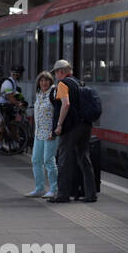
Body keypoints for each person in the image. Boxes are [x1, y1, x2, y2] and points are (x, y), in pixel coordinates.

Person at [48, 59, 96, 204]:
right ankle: (90, 194)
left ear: (61, 72)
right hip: (85, 126)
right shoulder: (80, 83)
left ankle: (63, 195)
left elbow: (66, 104)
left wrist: (59, 124)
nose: (55, 76)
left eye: (56, 73)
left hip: (71, 127)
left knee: (64, 160)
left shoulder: (63, 84)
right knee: (84, 159)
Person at [25, 71, 59, 198]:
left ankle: (54, 189)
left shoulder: (54, 93)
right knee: (36, 160)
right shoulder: (39, 94)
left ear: (51, 82)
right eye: (41, 80)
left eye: (46, 80)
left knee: (49, 160)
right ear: (38, 82)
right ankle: (39, 188)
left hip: (50, 132)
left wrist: (55, 129)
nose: (44, 83)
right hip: (39, 132)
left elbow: (58, 112)